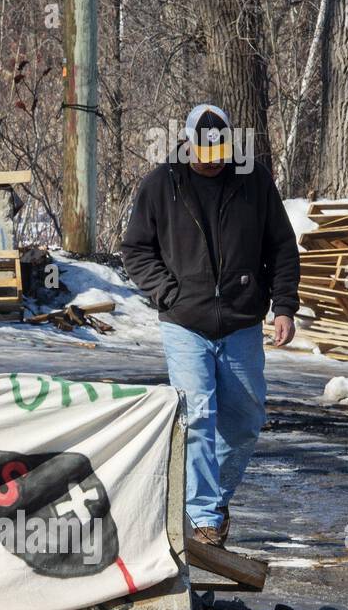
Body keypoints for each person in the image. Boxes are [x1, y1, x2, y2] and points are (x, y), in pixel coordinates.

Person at [121, 104, 300, 548]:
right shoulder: (163, 183)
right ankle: (203, 517)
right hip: (184, 322)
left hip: (241, 320)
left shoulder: (253, 179)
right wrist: (169, 292)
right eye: (204, 149)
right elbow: (136, 249)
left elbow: (281, 245)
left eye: (219, 149)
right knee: (198, 417)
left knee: (244, 420)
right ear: (186, 143)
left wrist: (284, 306)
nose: (212, 158)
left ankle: (211, 500)